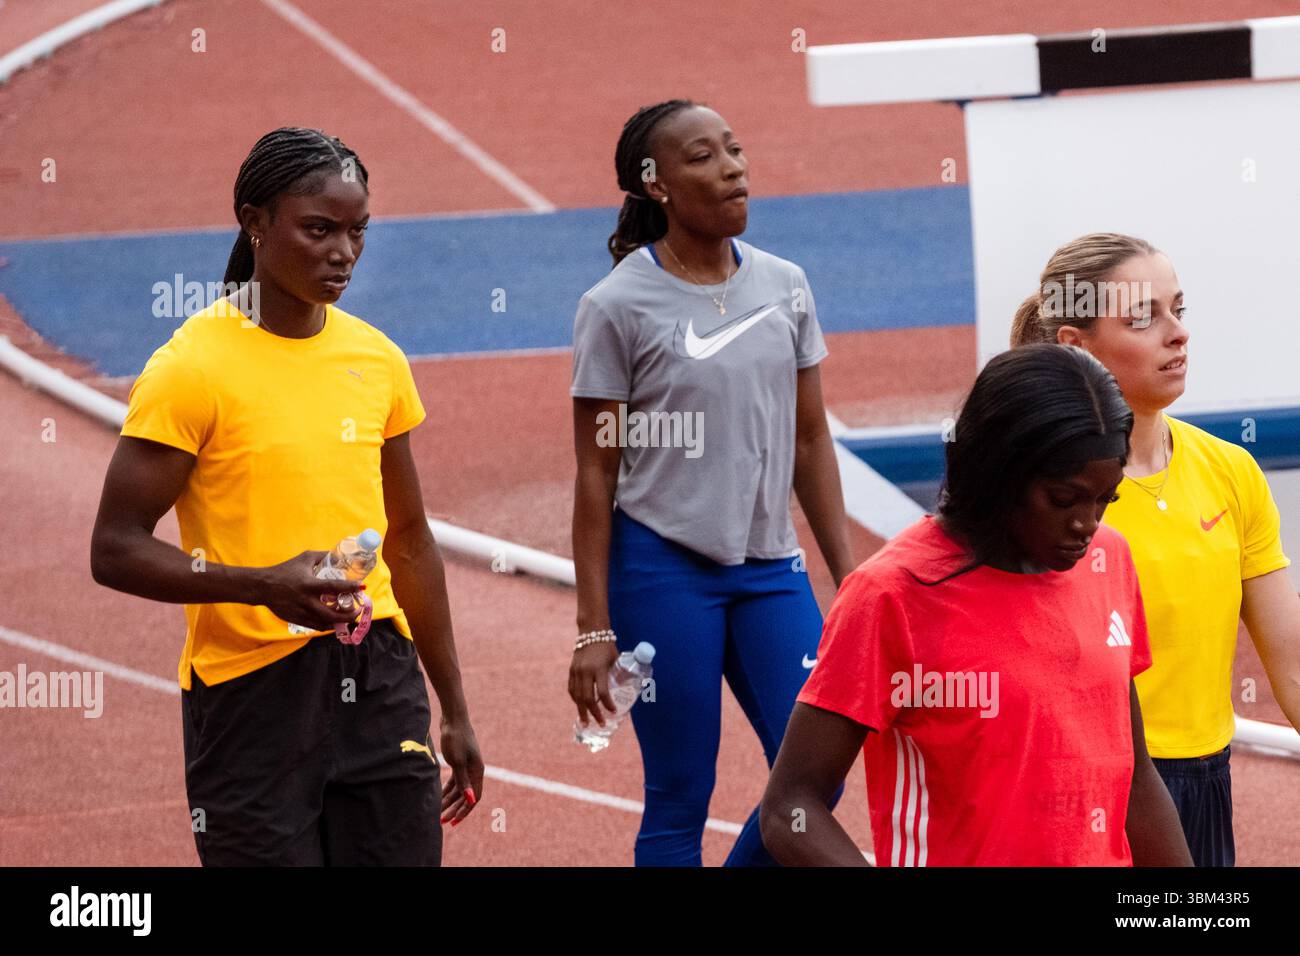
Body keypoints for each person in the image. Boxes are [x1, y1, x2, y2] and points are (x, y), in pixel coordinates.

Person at [89, 127, 483, 865]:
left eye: (357, 230)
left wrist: (454, 709)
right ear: (255, 221)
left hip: (379, 675)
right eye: (319, 229)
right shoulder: (190, 369)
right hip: (249, 698)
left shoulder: (376, 359)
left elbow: (410, 539)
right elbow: (114, 549)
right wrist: (262, 586)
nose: (344, 252)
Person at [760, 344, 1193, 866]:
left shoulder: (1109, 561)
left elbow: (1137, 777)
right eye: (1064, 499)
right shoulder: (892, 594)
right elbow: (789, 808)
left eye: (1106, 499)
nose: (1088, 523)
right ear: (999, 473)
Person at [567, 99, 855, 866]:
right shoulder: (617, 305)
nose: (731, 167)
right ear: (655, 183)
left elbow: (809, 436)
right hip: (660, 570)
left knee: (813, 781)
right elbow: (595, 474)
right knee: (679, 794)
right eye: (703, 156)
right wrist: (593, 631)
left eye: (734, 149)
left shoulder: (786, 284)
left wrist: (851, 577)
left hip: (769, 568)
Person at [1009, 233, 1300, 866]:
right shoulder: (1040, 497)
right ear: (1076, 347)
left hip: (1203, 789)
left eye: (1179, 310)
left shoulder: (1231, 471)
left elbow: (1295, 665)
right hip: (1084, 792)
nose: (1178, 334)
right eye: (1144, 318)